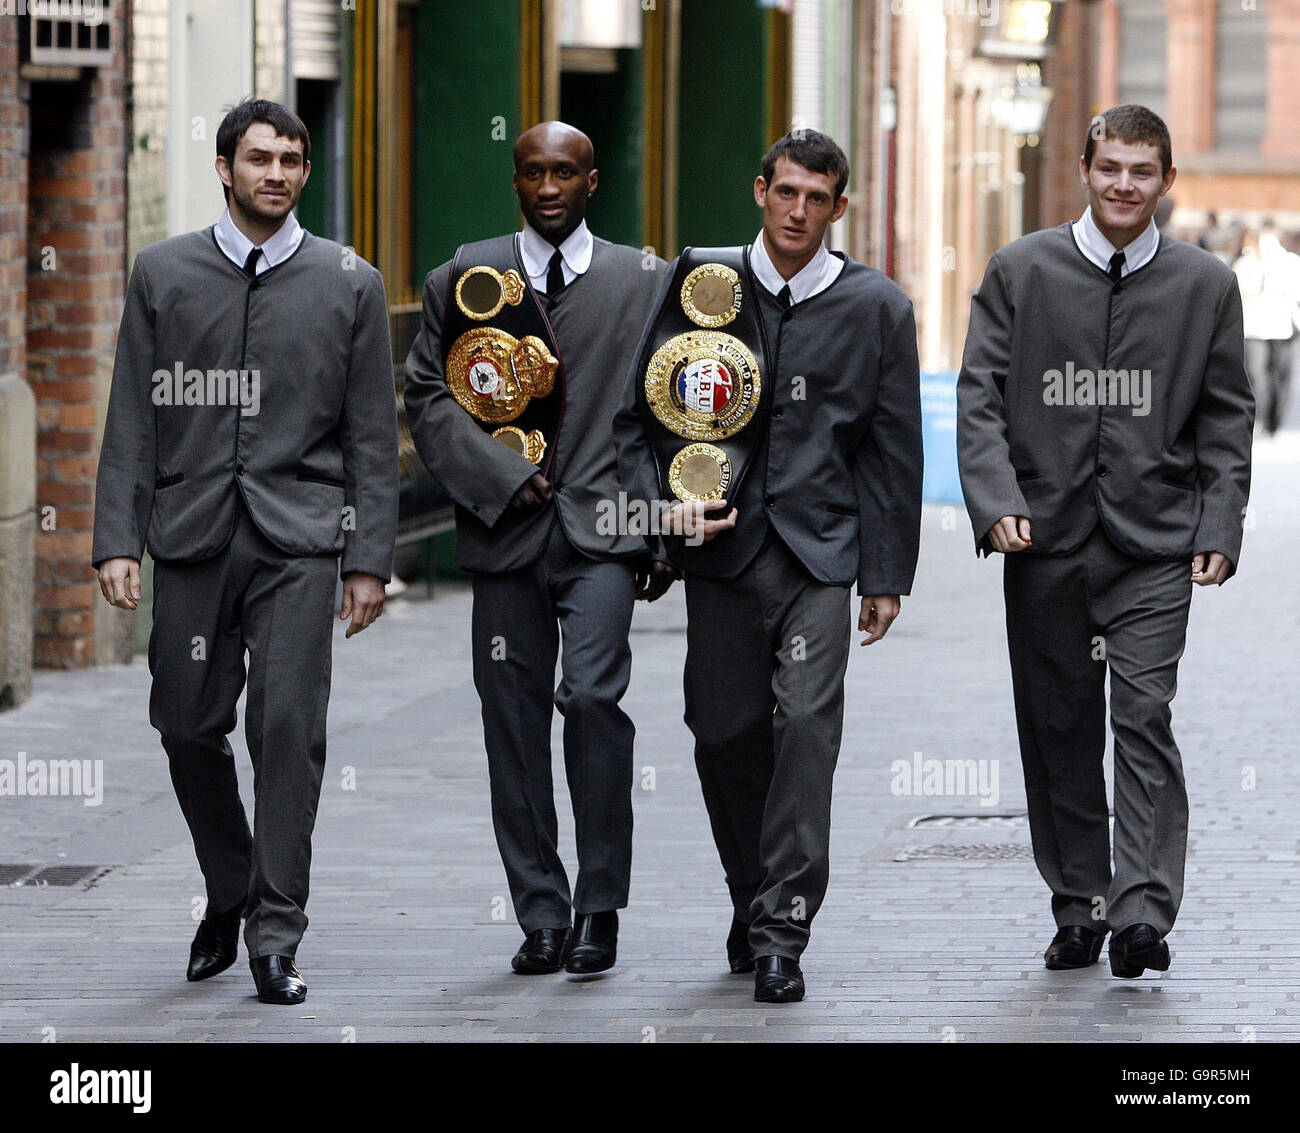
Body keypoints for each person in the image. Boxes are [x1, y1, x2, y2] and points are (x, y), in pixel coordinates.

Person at [92, 99, 399, 1004]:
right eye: (259, 158)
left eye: (292, 160)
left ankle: (274, 932)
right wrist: (118, 537)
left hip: (301, 540)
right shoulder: (163, 273)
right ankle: (230, 885)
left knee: (287, 730)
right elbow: (131, 417)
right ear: (223, 167)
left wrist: (369, 558)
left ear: (306, 173)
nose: (277, 173)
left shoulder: (350, 282)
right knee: (185, 723)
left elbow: (373, 435)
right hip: (190, 537)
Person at [614, 130, 923, 1003]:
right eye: (785, 192)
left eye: (817, 198)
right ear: (760, 190)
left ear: (839, 207)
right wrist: (660, 506)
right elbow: (634, 422)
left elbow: (892, 449)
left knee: (807, 731)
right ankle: (750, 893)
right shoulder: (702, 284)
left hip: (819, 557)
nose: (798, 211)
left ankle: (784, 925)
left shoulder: (876, 307)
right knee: (721, 733)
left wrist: (886, 573)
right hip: (720, 551)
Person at [957, 104, 1254, 979]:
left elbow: (1228, 416)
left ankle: (1143, 912)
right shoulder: (1021, 269)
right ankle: (1079, 903)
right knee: (1057, 725)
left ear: (1167, 182)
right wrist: (994, 500)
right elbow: (980, 396)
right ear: (1084, 170)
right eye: (1111, 167)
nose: (1126, 184)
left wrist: (1219, 523)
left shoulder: (1206, 285)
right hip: (1043, 541)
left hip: (1154, 545)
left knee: (1142, 715)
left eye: (1143, 171)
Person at [403, 122, 669, 977]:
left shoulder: (642, 279)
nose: (548, 186)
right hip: (504, 534)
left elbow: (673, 409)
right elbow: (424, 393)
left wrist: (661, 526)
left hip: (604, 536)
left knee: (591, 700)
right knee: (511, 724)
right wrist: (493, 474)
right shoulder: (468, 276)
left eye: (565, 172)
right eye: (532, 173)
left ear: (593, 181)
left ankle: (600, 906)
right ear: (515, 182)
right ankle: (541, 912)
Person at [1234, 223, 1300, 435]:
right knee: (1257, 375)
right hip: (1255, 329)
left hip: (1283, 327)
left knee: (1281, 375)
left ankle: (1275, 420)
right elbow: (1243, 291)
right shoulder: (1247, 264)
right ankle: (1260, 417)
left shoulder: (1291, 264)